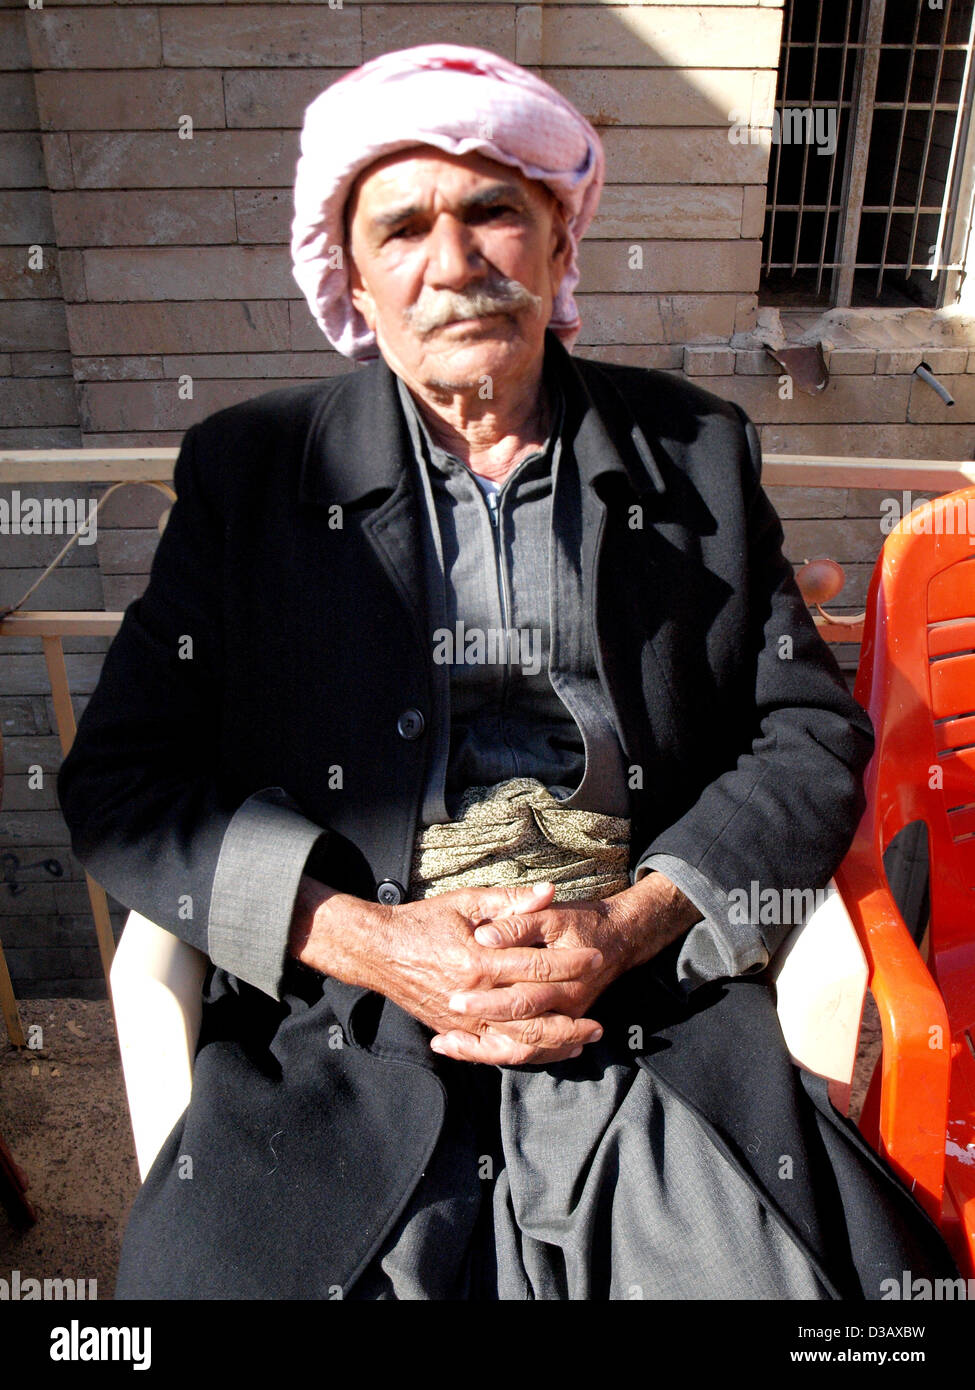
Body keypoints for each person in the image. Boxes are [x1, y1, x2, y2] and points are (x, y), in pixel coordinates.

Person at [58, 44, 957, 1300]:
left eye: (493, 212)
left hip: (641, 1001)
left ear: (557, 242)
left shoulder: (691, 453)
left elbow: (805, 729)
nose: (455, 260)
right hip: (352, 1015)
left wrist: (632, 919)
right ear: (355, 281)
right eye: (404, 228)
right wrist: (366, 938)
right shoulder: (250, 475)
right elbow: (123, 778)